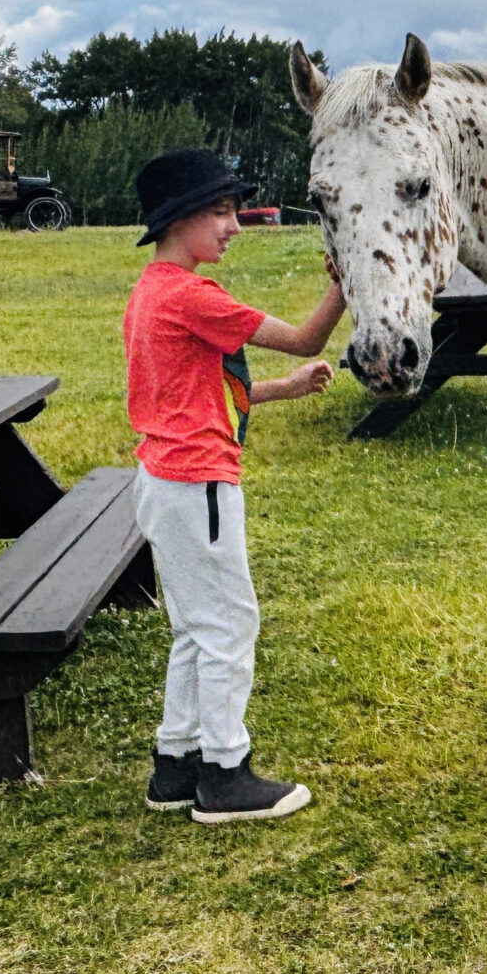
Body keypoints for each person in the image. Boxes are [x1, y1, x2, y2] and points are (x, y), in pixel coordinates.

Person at [123, 147, 345, 824]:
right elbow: (307, 337)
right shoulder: (195, 296)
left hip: (163, 479)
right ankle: (225, 774)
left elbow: (197, 393)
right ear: (180, 219)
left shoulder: (152, 291)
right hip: (200, 487)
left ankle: (176, 765)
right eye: (220, 213)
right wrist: (347, 285)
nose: (236, 225)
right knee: (229, 625)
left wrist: (282, 390)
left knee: (195, 627)